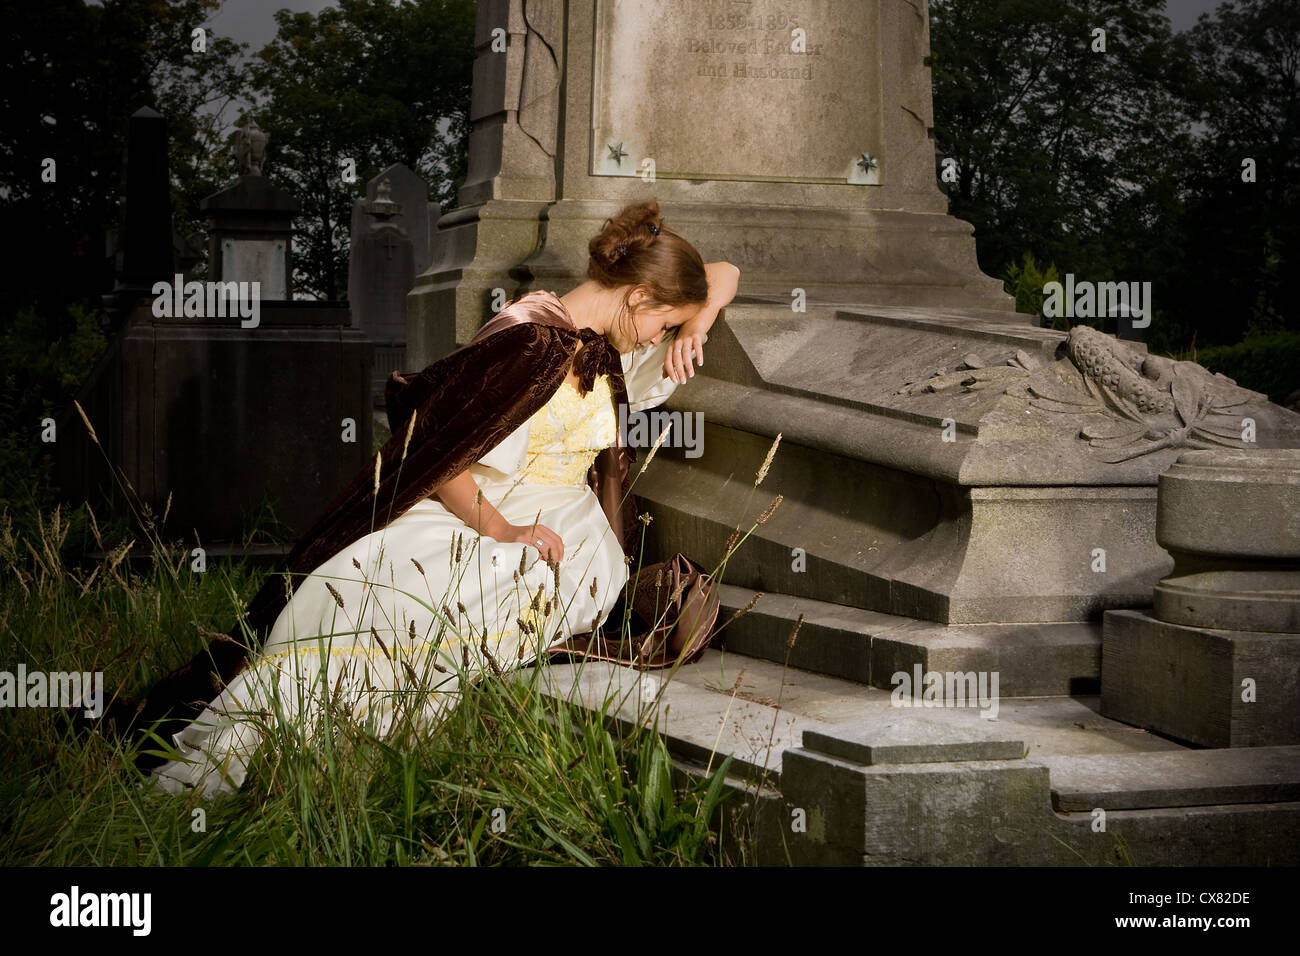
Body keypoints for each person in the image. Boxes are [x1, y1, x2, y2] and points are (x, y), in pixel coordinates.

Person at [146, 199, 740, 795]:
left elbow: (724, 272)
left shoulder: (617, 352)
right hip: (483, 510)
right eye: (663, 324)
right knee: (353, 584)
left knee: (448, 602)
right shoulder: (526, 339)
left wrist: (697, 321)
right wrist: (503, 529)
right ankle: (258, 748)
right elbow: (440, 454)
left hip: (573, 538)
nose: (662, 341)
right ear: (637, 296)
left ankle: (327, 753)